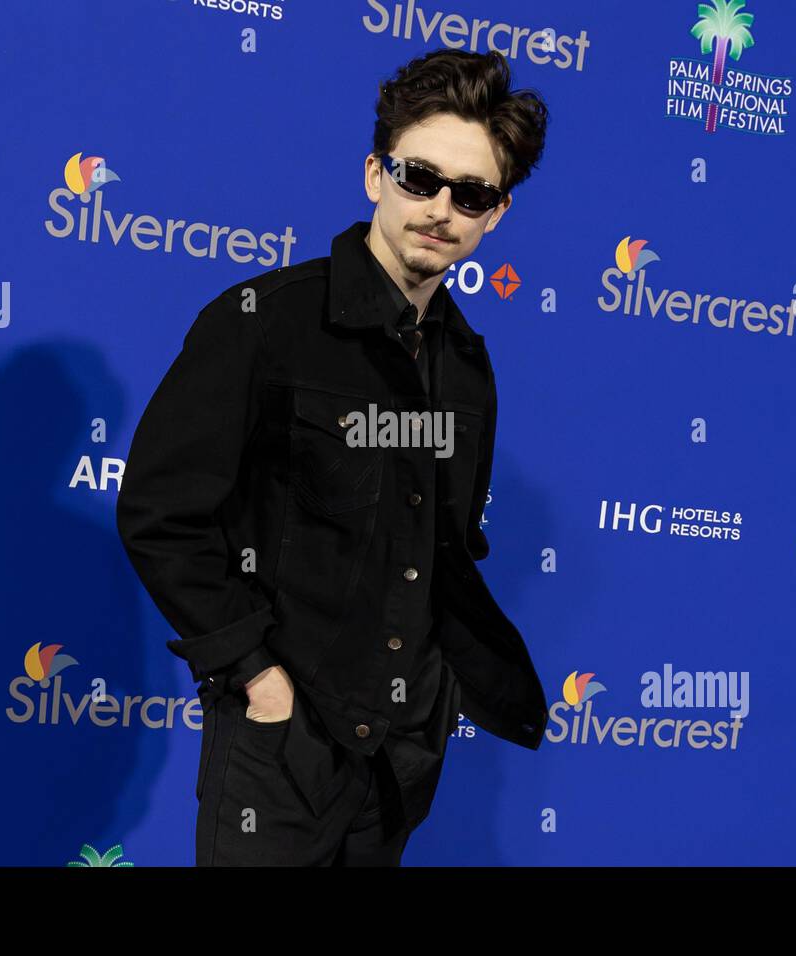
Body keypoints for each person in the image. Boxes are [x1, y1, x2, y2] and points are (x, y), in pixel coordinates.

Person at [116, 48, 549, 866]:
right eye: (419, 178)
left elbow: (444, 546)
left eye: (472, 194)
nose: (440, 209)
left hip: (402, 754)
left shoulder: (466, 366)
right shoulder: (265, 322)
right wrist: (256, 677)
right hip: (282, 746)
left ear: (496, 214)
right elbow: (160, 516)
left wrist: (435, 698)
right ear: (374, 175)